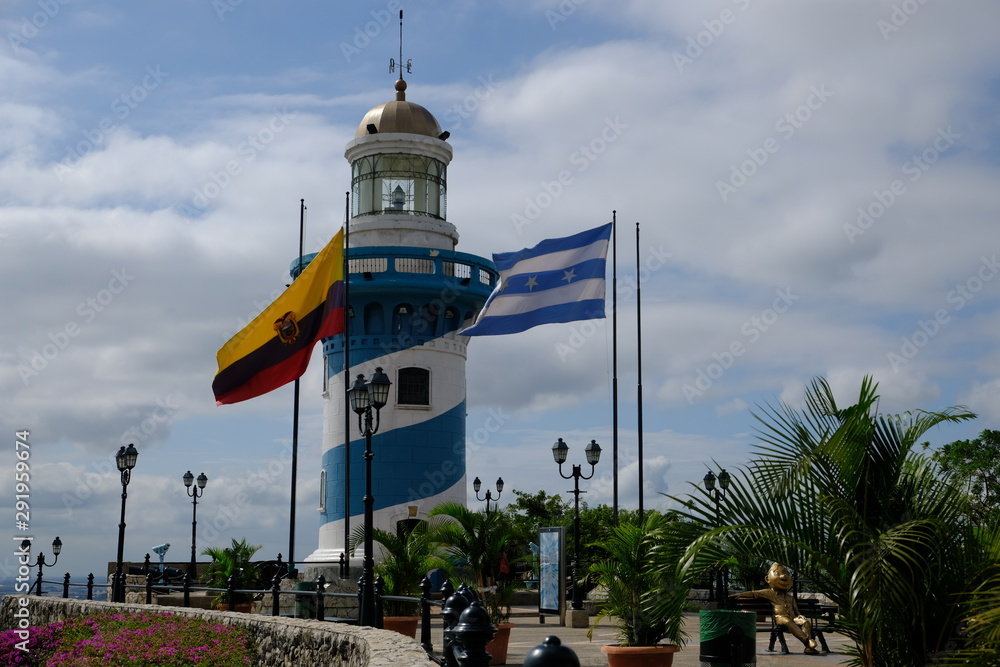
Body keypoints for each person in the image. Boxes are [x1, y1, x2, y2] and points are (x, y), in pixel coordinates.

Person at [731, 562, 819, 655]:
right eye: (777, 573)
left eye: (787, 574)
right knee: (787, 621)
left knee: (805, 622)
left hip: (793, 618)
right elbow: (754, 593)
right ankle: (808, 641)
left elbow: (796, 610)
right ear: (767, 579)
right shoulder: (769, 593)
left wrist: (800, 616)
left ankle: (808, 647)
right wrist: (740, 594)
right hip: (780, 618)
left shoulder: (790, 598)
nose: (784, 576)